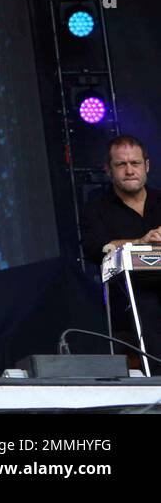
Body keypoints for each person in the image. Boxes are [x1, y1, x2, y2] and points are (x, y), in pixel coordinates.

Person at [80, 135, 161, 361]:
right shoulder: (97, 208)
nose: (129, 170)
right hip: (128, 297)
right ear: (108, 170)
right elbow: (96, 247)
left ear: (146, 166)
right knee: (146, 305)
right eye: (121, 164)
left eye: (135, 163)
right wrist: (140, 243)